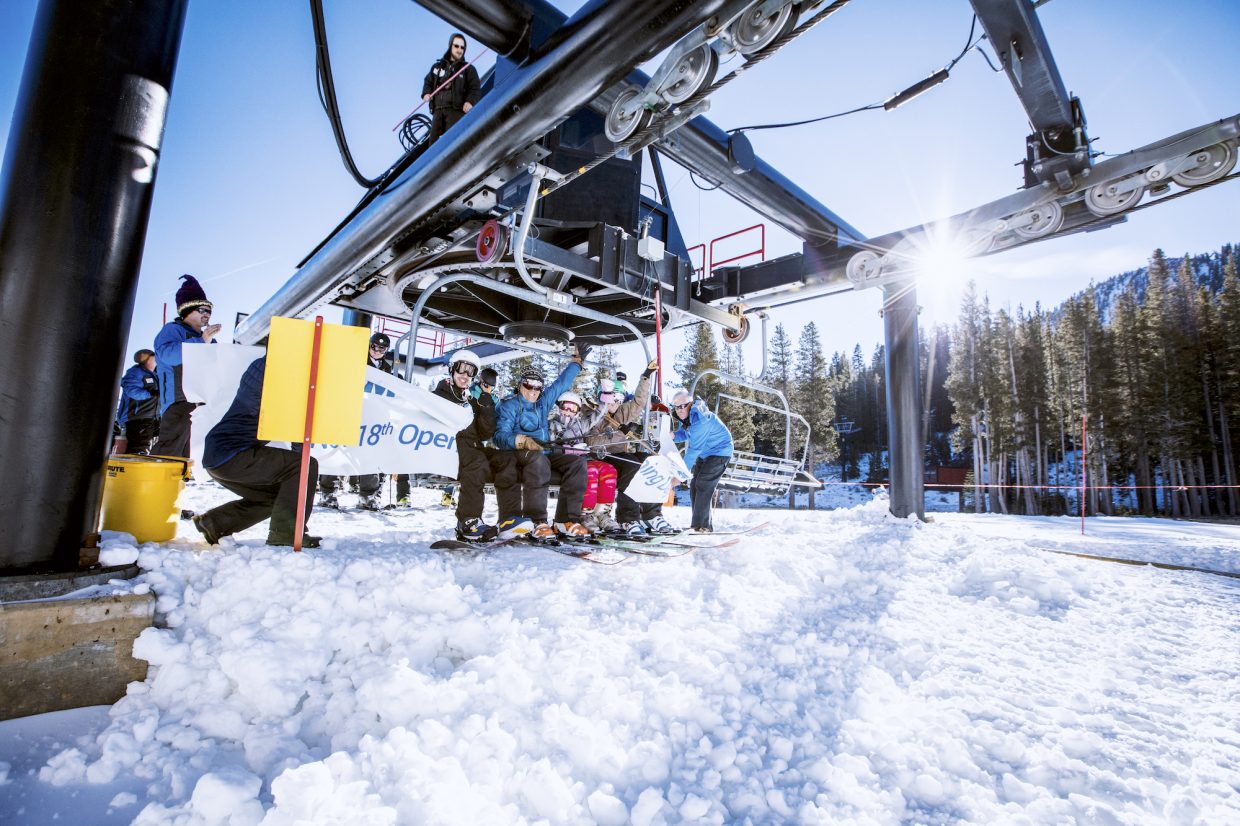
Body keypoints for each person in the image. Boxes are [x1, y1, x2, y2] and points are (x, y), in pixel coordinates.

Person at [193, 356, 320, 548]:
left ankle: (215, 523)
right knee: (306, 465)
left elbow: (295, 430)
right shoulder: (269, 371)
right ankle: (286, 533)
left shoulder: (267, 371)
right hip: (231, 453)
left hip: (222, 455)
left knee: (280, 495)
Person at [492, 351, 588, 540]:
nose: (533, 390)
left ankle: (565, 520)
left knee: (576, 463)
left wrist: (576, 364)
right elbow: (499, 436)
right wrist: (522, 440)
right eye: (528, 385)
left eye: (538, 387)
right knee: (539, 460)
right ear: (520, 385)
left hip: (543, 451)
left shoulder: (542, 403)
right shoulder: (509, 406)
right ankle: (537, 520)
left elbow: (561, 384)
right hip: (519, 453)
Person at [586, 361, 678, 536]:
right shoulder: (593, 414)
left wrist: (645, 377)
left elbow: (639, 402)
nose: (613, 404)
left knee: (650, 461)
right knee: (631, 465)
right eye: (609, 399)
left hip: (619, 453)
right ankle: (627, 518)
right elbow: (591, 442)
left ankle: (651, 514)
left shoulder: (622, 412)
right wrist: (614, 434)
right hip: (601, 456)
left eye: (617, 400)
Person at [320, 332, 395, 510]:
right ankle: (328, 491)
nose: (377, 351)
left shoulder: (386, 367)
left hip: (372, 415)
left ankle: (367, 496)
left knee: (372, 453)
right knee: (338, 450)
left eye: (381, 348)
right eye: (374, 347)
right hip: (350, 411)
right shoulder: (357, 361)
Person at [431, 349, 499, 542]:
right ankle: (468, 521)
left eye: (471, 372)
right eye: (461, 369)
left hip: (473, 448)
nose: (465, 375)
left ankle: (510, 518)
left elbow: (486, 433)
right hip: (450, 450)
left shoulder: (471, 400)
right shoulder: (438, 396)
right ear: (452, 370)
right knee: (476, 462)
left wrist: (485, 401)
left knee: (507, 459)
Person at [152, 275, 220, 458]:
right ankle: (153, 483)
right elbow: (168, 355)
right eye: (202, 309)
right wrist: (202, 341)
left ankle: (174, 484)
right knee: (169, 450)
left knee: (187, 454)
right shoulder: (173, 330)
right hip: (178, 402)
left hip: (200, 402)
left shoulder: (208, 340)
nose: (207, 314)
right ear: (187, 310)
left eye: (209, 311)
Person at [670, 388, 734, 533]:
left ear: (690, 404)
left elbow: (693, 451)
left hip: (720, 451)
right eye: (676, 407)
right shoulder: (687, 417)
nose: (679, 410)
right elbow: (685, 433)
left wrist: (679, 476)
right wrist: (673, 436)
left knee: (703, 483)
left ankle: (703, 526)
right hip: (706, 453)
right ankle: (698, 525)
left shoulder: (700, 419)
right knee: (694, 485)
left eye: (682, 406)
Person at [547, 390, 607, 532]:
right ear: (559, 407)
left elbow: (598, 415)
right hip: (557, 459)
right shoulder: (551, 424)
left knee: (597, 468)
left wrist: (606, 395)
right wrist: (569, 450)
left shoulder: (580, 425)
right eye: (565, 407)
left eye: (573, 408)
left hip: (577, 463)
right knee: (578, 465)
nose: (568, 411)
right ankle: (567, 519)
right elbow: (547, 445)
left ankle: (589, 515)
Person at [421, 33, 480, 144]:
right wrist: (426, 93)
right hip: (438, 112)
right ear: (450, 46)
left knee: (455, 142)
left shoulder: (468, 69)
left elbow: (475, 88)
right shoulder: (437, 67)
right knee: (433, 147)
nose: (459, 50)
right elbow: (428, 81)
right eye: (456, 46)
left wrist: (470, 101)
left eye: (462, 47)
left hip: (456, 111)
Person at [116, 349, 161, 455]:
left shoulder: (154, 375)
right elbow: (131, 390)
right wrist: (150, 394)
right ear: (148, 358)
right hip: (138, 418)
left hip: (151, 418)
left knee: (150, 443)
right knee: (138, 447)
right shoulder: (136, 372)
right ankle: (133, 467)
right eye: (154, 355)